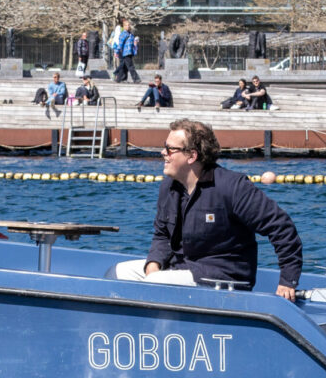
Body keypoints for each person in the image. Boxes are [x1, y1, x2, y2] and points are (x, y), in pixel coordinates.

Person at [114, 119, 302, 299]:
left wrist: (288, 280)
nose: (163, 153)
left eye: (170, 149)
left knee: (157, 281)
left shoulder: (232, 187)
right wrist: (153, 265)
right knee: (119, 273)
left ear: (192, 156)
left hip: (224, 276)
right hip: (181, 268)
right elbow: (162, 235)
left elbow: (281, 227)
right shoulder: (169, 187)